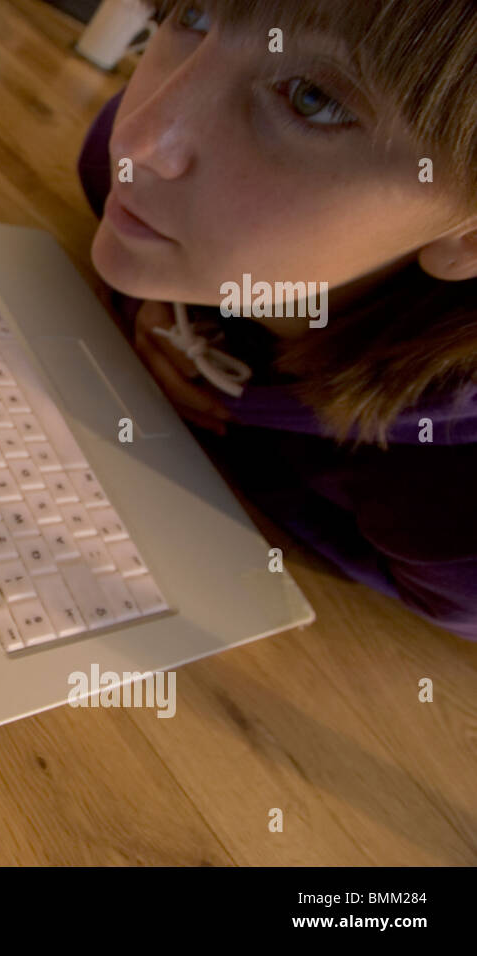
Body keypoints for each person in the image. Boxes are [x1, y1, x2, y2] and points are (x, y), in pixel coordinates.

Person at [77, 0, 477, 639]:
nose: (140, 138)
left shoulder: (450, 505)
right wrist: (171, 301)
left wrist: (240, 429)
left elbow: (456, 606)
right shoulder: (114, 165)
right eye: (194, 15)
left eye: (313, 99)